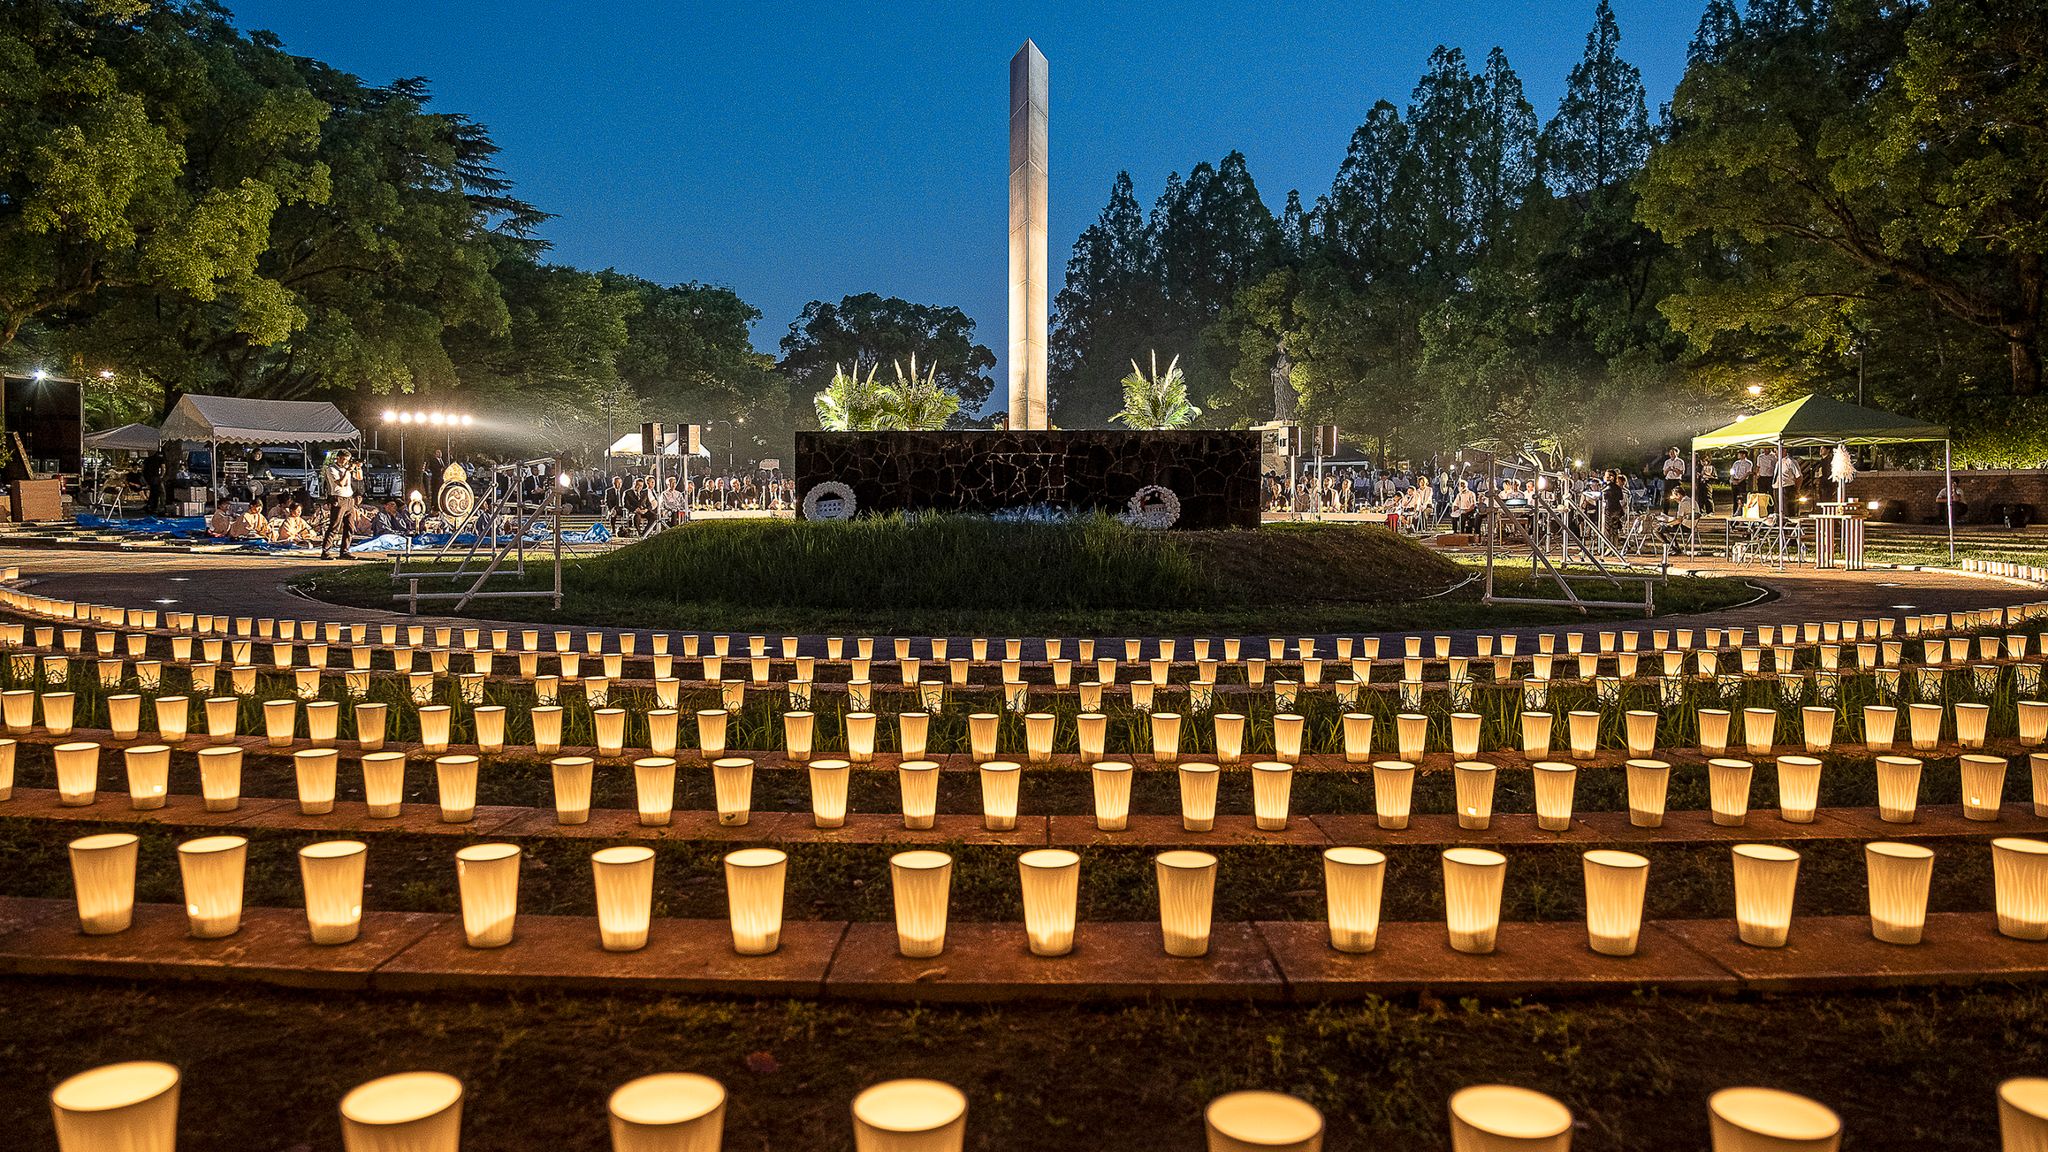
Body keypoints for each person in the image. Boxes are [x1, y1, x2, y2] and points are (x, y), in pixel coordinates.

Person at [319, 448, 363, 560]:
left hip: (349, 499)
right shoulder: (331, 469)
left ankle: (345, 551)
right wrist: (348, 471)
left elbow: (359, 478)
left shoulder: (347, 468)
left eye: (347, 460)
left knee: (350, 526)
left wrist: (357, 468)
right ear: (338, 458)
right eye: (343, 459)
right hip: (338, 498)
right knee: (334, 526)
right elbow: (341, 483)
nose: (345, 462)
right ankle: (325, 551)